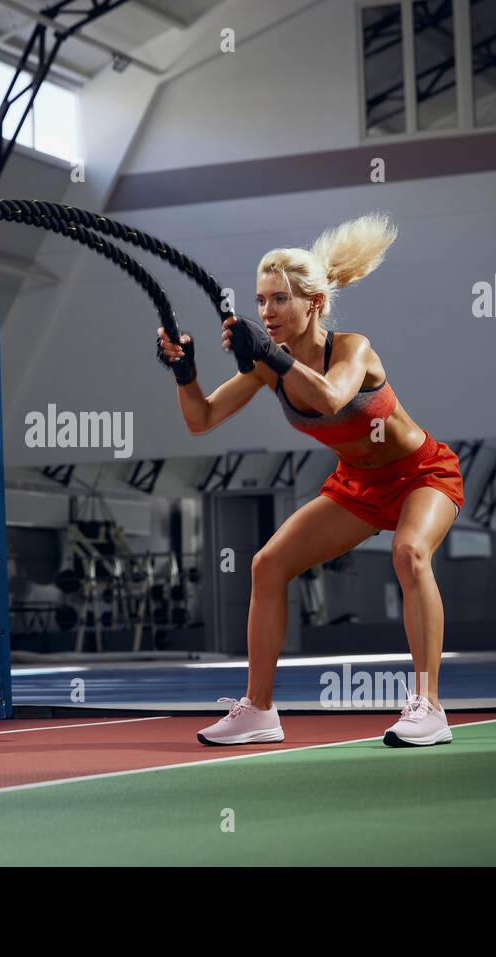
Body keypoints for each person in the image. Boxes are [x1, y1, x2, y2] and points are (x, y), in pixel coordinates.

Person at [155, 213, 463, 748]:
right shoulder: (264, 369)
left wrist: (270, 355)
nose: (266, 312)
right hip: (357, 487)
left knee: (410, 553)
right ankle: (259, 710)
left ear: (313, 304)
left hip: (421, 474)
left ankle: (428, 706)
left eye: (279, 300)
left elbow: (329, 398)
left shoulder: (353, 349)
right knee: (267, 565)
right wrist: (186, 373)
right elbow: (200, 419)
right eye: (259, 301)